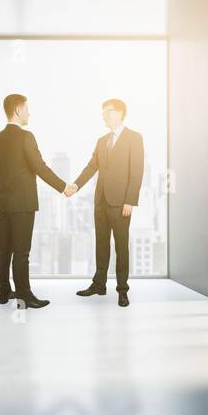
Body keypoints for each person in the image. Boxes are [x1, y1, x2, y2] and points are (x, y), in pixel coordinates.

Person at [64, 99, 144, 306]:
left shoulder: (134, 138)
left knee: (121, 247)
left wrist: (130, 201)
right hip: (100, 200)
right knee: (101, 244)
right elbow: (92, 167)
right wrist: (75, 185)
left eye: (106, 112)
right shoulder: (102, 141)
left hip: (120, 203)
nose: (103, 116)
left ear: (118, 113)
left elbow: (136, 172)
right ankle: (99, 285)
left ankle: (122, 290)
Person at [0, 94, 67, 308]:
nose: (29, 113)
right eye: (26, 109)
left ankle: (4, 292)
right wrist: (63, 187)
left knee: (4, 249)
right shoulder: (26, 137)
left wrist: (4, 194)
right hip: (22, 203)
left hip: (3, 202)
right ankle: (25, 297)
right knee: (22, 252)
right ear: (17, 111)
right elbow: (40, 167)